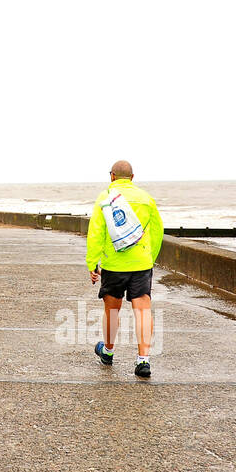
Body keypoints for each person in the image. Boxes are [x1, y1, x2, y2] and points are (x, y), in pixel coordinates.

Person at [87, 160, 163, 378]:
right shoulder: (146, 199)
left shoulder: (104, 199)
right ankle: (143, 361)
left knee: (112, 310)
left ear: (111, 176)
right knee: (143, 310)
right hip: (141, 263)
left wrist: (92, 263)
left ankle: (108, 352)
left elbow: (95, 234)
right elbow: (157, 232)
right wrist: (150, 258)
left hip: (113, 264)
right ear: (132, 177)